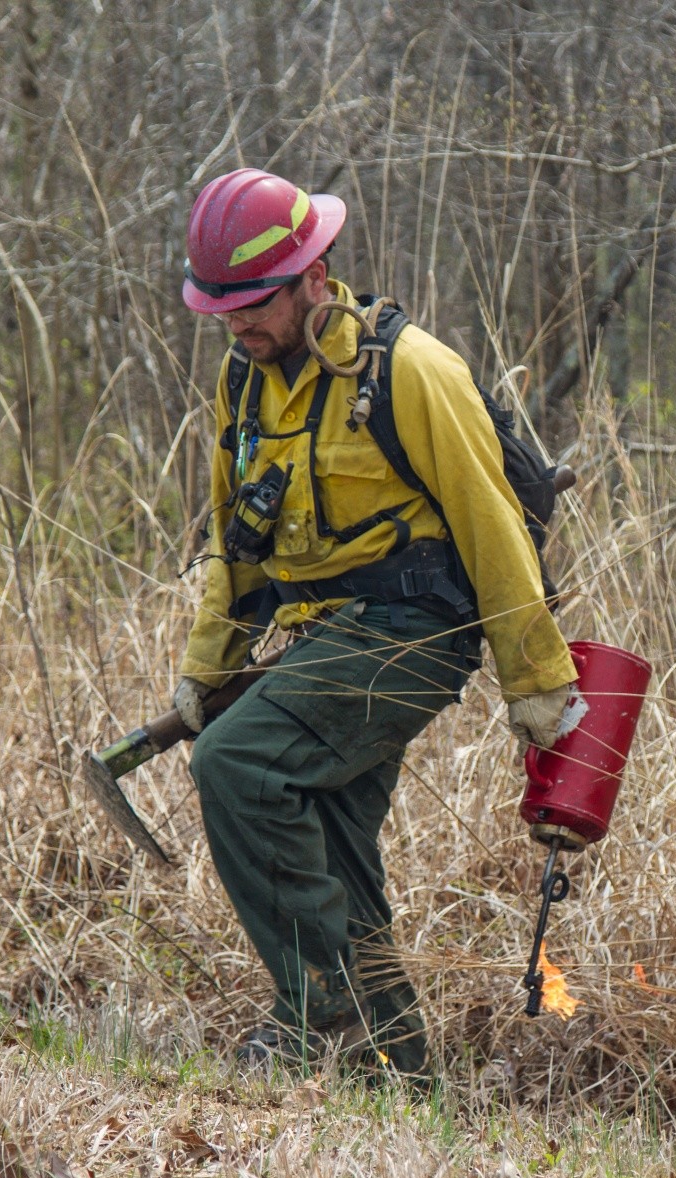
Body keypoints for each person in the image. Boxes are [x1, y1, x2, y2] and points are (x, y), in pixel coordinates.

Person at [172, 167, 577, 1080]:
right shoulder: (244, 384)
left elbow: (492, 524)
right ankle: (394, 1070)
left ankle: (320, 1014)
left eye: (252, 303)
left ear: (315, 276)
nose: (237, 324)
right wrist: (208, 671)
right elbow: (235, 543)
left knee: (236, 765)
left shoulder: (413, 370)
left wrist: (537, 683)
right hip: (325, 636)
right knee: (327, 833)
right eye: (222, 307)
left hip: (418, 629)